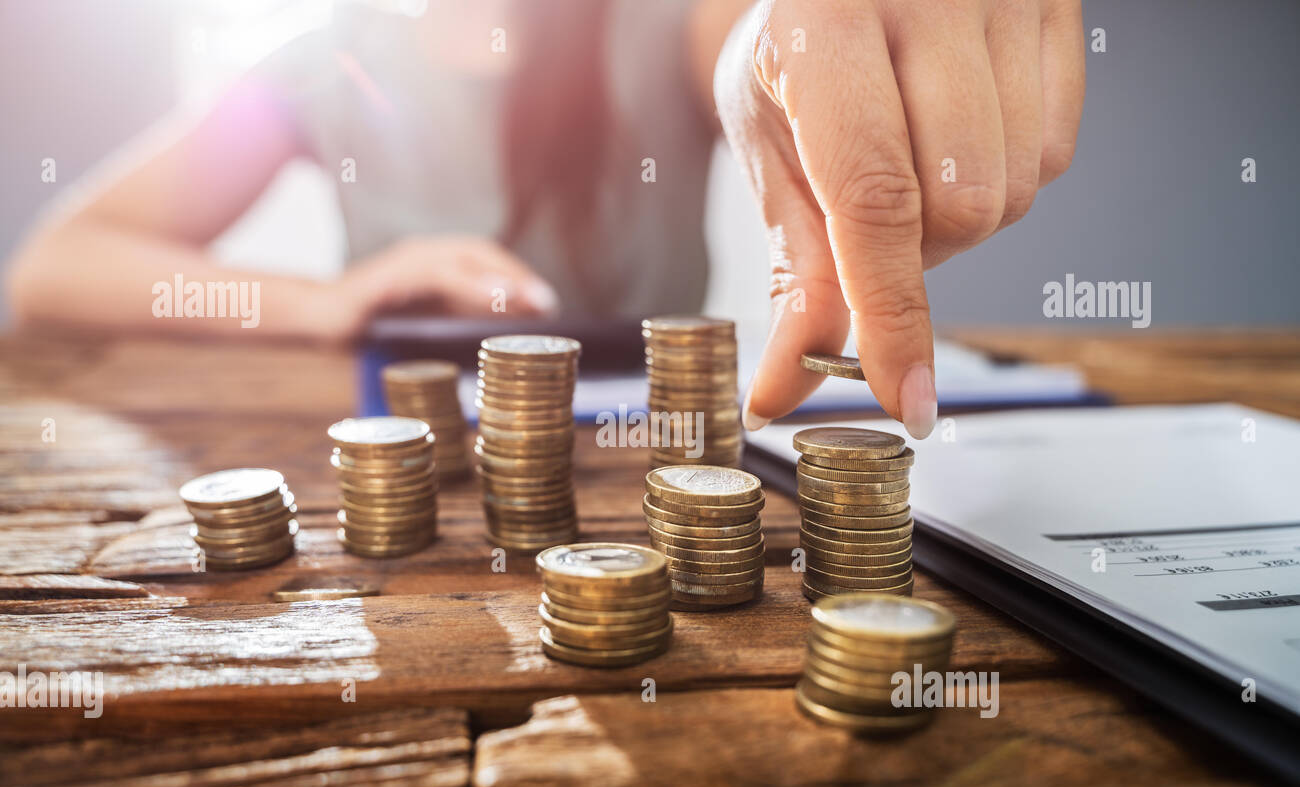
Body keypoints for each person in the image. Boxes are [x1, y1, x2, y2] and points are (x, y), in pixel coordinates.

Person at [4, 0, 1084, 440]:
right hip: (418, 493)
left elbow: (748, 36)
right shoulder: (324, 63)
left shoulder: (653, 23)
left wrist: (779, 30)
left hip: (654, 475)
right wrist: (325, 305)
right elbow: (57, 267)